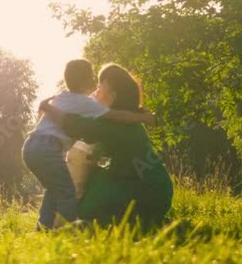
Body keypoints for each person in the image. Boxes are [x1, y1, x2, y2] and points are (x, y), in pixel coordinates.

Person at [23, 59, 155, 230]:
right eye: (93, 78)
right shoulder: (85, 103)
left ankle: (43, 227)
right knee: (66, 191)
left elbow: (79, 110)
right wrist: (145, 118)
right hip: (47, 148)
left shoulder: (63, 97)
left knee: (53, 189)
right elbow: (116, 116)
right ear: (87, 81)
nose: (96, 83)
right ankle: (67, 229)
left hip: (31, 147)